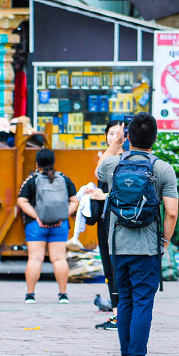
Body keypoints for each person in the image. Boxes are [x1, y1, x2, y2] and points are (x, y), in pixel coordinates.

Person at [97, 112, 178, 356]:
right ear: (155, 138)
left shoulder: (113, 164)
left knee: (126, 301)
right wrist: (163, 242)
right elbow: (172, 213)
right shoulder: (162, 168)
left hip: (117, 246)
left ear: (128, 136)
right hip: (146, 247)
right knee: (143, 301)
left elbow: (98, 168)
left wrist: (116, 141)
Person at [17, 148, 79, 304]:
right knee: (59, 259)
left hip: (36, 226)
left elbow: (22, 201)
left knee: (35, 259)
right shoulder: (64, 179)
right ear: (53, 162)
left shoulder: (32, 180)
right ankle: (63, 294)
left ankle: (30, 295)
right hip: (60, 225)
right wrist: (63, 215)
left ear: (37, 163)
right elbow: (75, 201)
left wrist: (36, 216)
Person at [90, 120, 124, 330]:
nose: (115, 138)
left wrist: (104, 195)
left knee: (117, 266)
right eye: (111, 134)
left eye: (118, 134)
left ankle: (121, 315)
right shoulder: (106, 156)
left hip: (120, 221)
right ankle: (115, 314)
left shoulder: (128, 158)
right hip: (104, 219)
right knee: (108, 269)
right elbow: (99, 175)